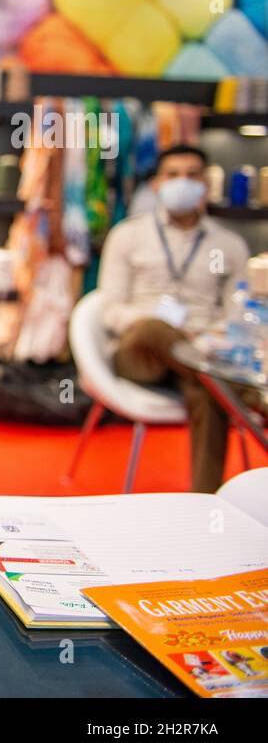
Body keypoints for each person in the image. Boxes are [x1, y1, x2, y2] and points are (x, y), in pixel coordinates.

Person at [98, 145, 254, 493]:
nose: (183, 182)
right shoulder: (128, 235)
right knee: (156, 329)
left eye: (192, 175)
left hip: (203, 356)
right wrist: (174, 331)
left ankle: (205, 501)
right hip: (140, 351)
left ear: (206, 184)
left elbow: (236, 316)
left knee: (211, 392)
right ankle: (253, 397)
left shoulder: (228, 245)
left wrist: (210, 337)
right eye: (173, 175)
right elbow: (111, 309)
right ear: (156, 184)